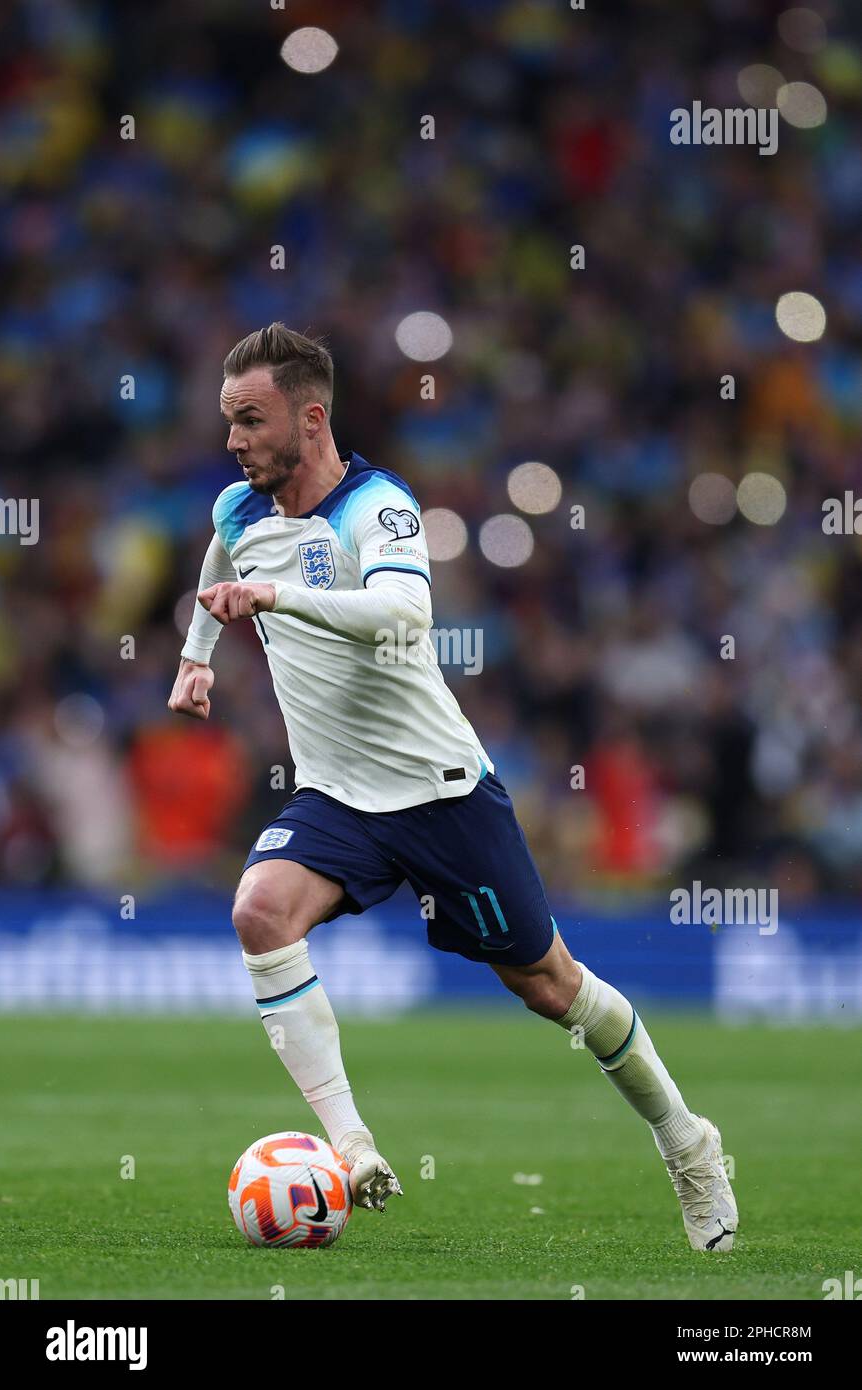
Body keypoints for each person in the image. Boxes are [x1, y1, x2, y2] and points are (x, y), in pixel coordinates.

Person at [169, 323, 738, 1250]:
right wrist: (197, 659)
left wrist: (274, 601)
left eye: (249, 419)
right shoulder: (238, 511)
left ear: (310, 420)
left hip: (439, 792)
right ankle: (350, 1147)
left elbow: (404, 613)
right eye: (227, 419)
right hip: (337, 797)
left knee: (551, 986)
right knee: (260, 911)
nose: (232, 439)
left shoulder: (376, 506)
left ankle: (686, 1139)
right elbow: (220, 565)